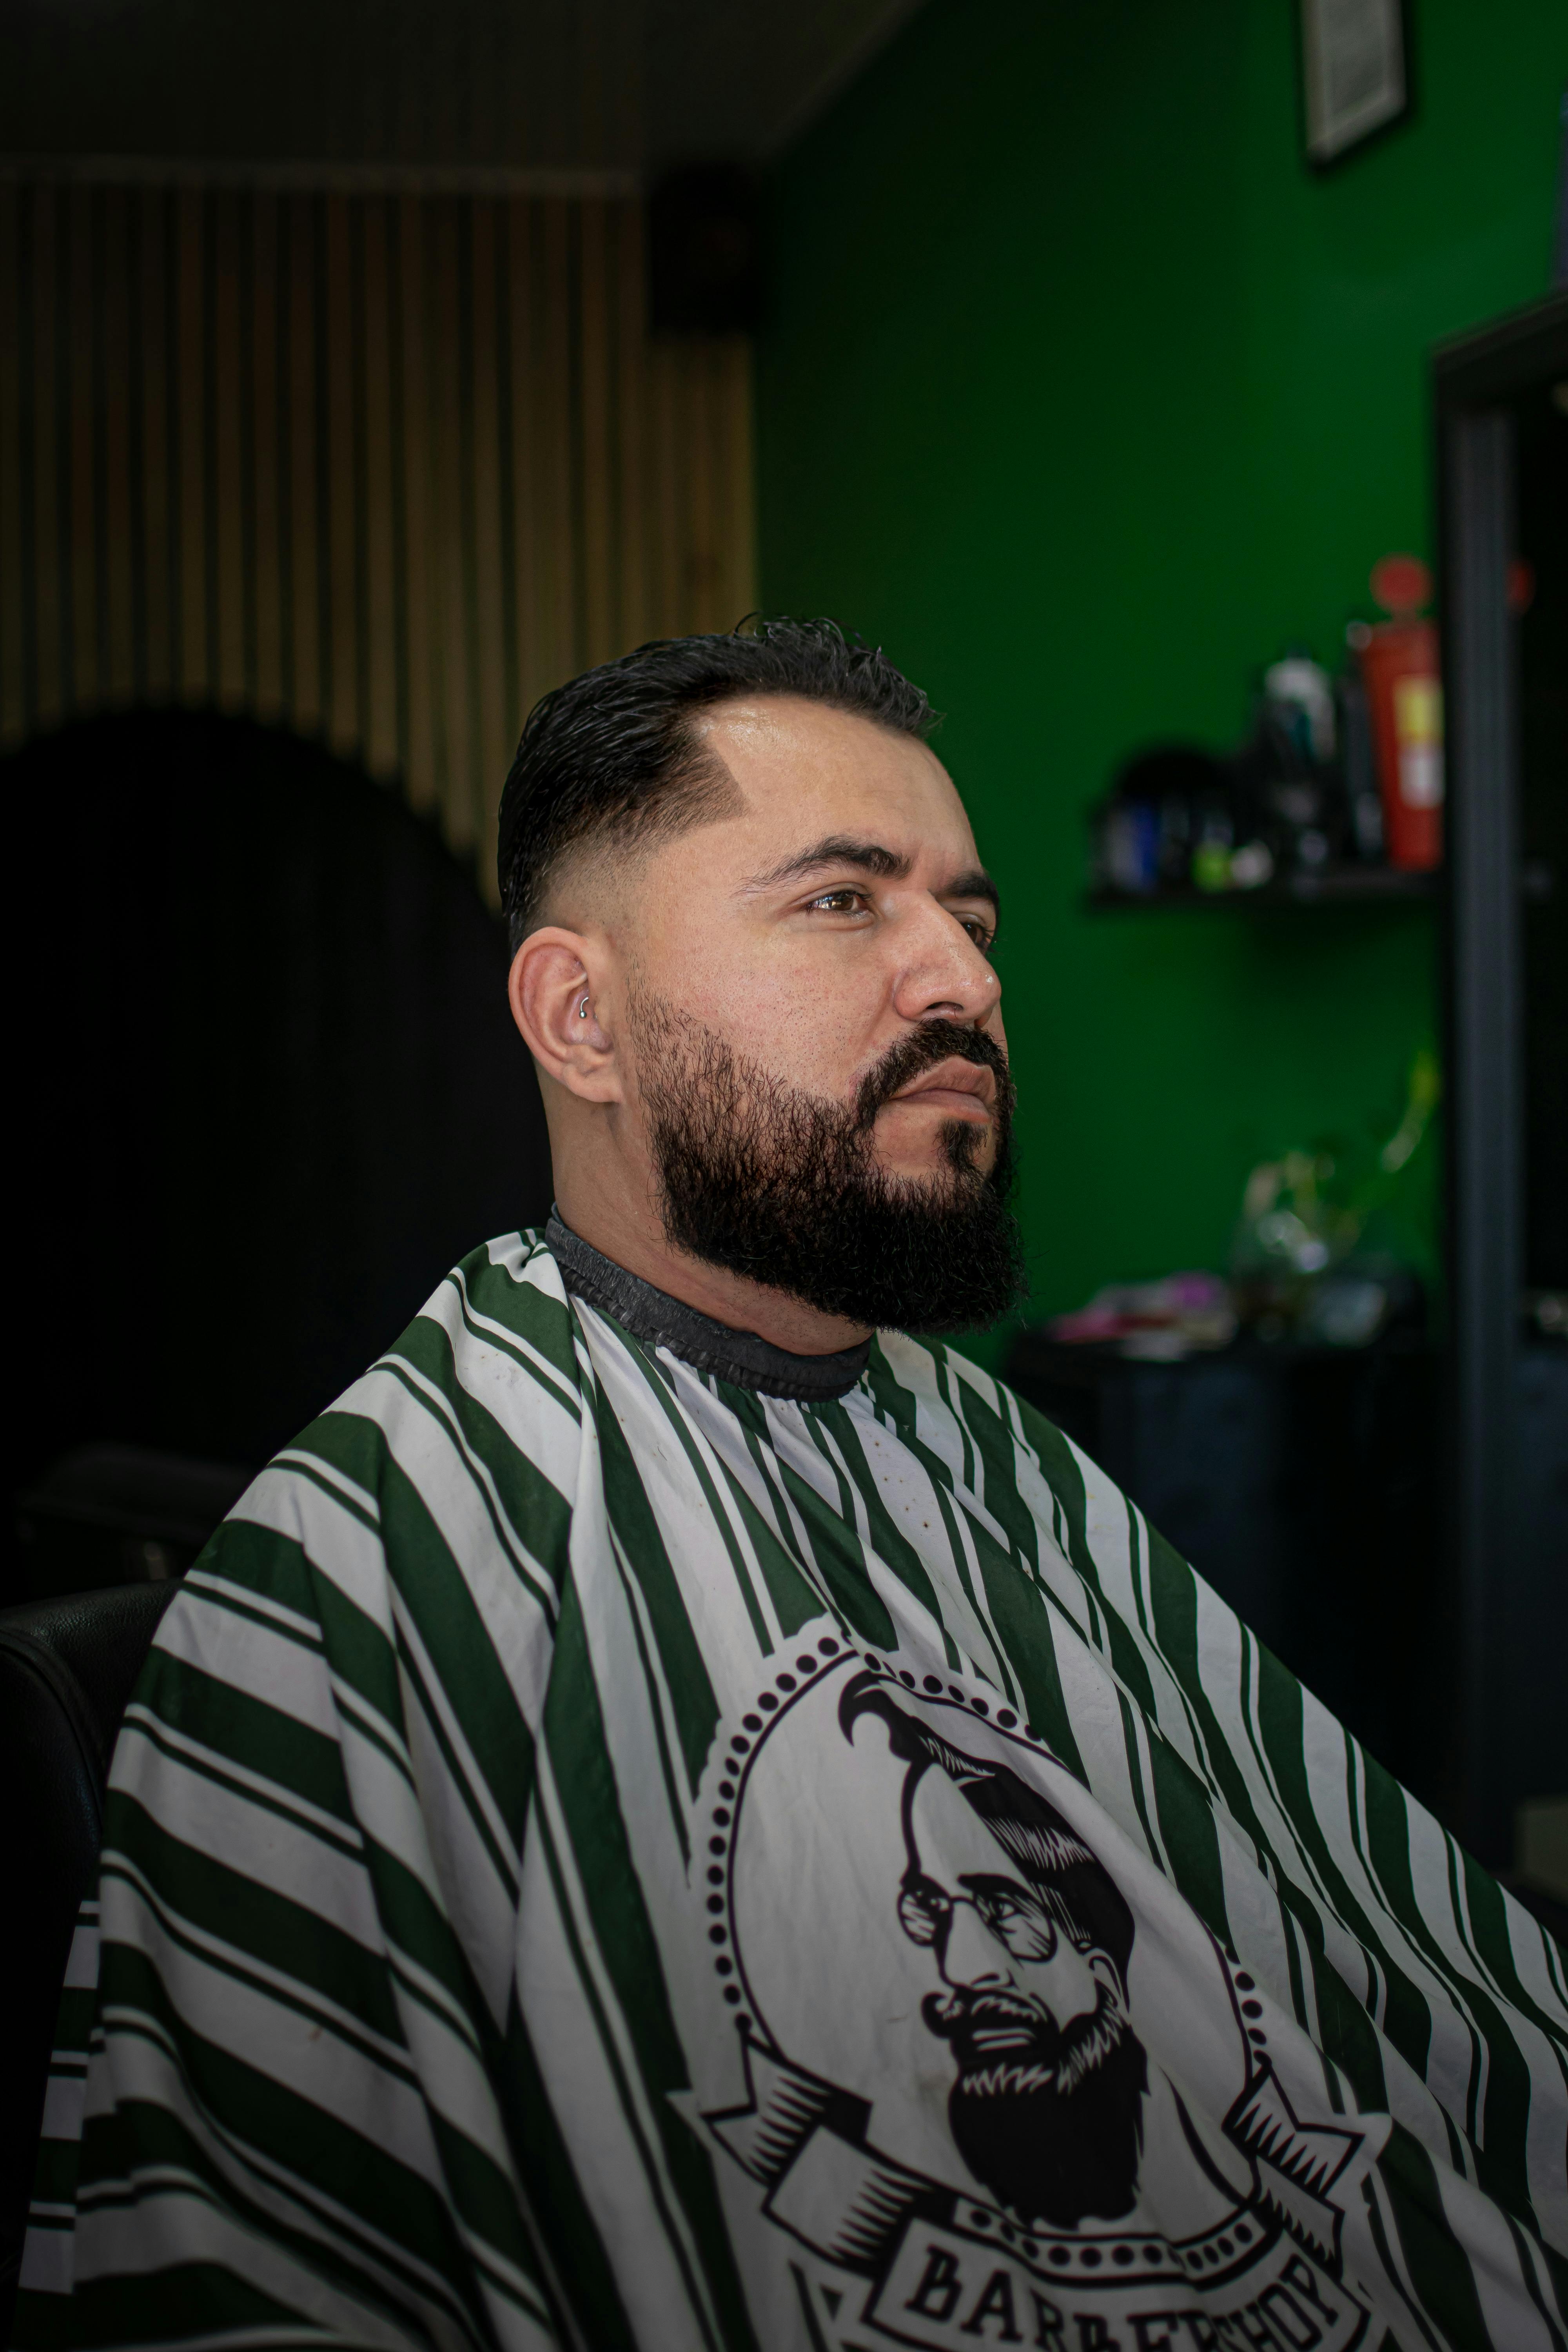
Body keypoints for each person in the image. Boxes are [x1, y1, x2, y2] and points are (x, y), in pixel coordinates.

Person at [16, 622, 1564, 2352]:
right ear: (580, 1018)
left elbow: (1396, 2011)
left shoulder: (993, 1458)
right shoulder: (356, 1572)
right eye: (846, 903)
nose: (962, 982)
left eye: (969, 921)